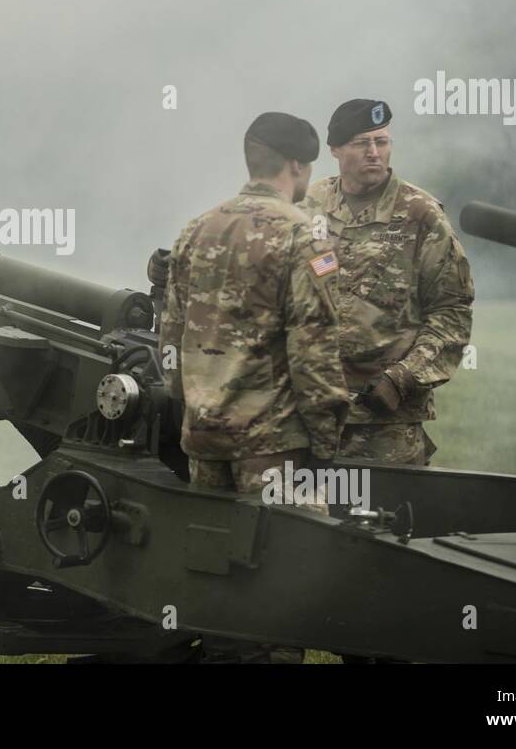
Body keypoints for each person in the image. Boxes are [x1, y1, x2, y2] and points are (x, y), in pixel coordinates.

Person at [160, 112, 349, 496]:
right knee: (284, 554)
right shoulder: (303, 237)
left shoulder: (197, 229)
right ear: (297, 164)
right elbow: (313, 352)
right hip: (273, 447)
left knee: (208, 551)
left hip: (204, 438)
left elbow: (171, 335)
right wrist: (326, 442)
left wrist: (190, 406)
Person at [299, 98, 474, 464]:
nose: (374, 153)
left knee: (389, 519)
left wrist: (402, 379)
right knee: (301, 517)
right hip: (308, 413)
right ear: (335, 149)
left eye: (382, 141)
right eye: (362, 143)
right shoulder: (309, 204)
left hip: (384, 426)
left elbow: (451, 313)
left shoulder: (420, 214)